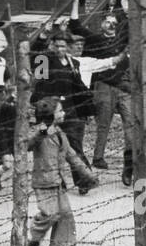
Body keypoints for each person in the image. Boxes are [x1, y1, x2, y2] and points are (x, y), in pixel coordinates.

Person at [69, 0, 136, 182]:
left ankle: (128, 164)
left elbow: (135, 25)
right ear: (101, 24)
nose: (112, 24)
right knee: (103, 124)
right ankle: (98, 157)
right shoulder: (95, 39)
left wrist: (127, 6)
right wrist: (75, 3)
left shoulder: (122, 39)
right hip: (104, 86)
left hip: (123, 86)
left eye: (114, 21)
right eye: (107, 21)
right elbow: (75, 26)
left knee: (131, 125)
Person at [30, 33, 98, 193]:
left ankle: (84, 180)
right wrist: (42, 37)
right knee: (49, 147)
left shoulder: (73, 63)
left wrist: (86, 108)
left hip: (70, 111)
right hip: (49, 111)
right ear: (52, 45)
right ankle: (57, 182)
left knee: (75, 146)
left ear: (67, 47)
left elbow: (78, 87)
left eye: (63, 46)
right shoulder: (45, 60)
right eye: (57, 45)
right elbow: (38, 75)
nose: (60, 49)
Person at [24, 98, 82, 246]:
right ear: (51, 114)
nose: (64, 113)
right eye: (60, 111)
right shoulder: (40, 131)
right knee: (49, 214)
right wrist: (41, 133)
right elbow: (28, 144)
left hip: (58, 182)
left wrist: (86, 174)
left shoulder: (60, 133)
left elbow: (71, 155)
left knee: (65, 215)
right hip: (43, 182)